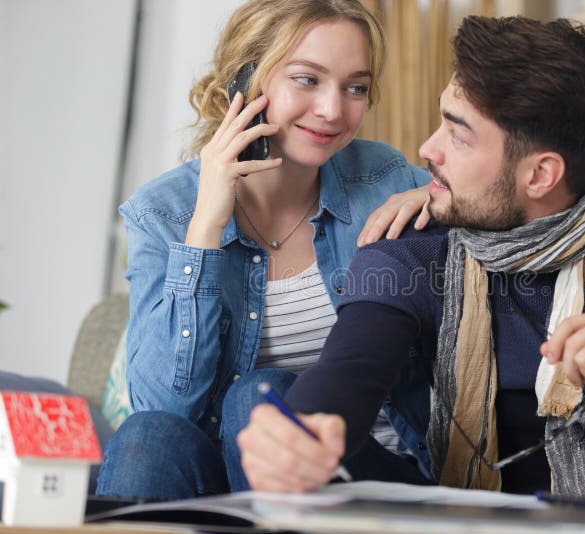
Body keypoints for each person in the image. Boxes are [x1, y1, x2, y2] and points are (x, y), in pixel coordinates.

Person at [237, 16, 585, 496]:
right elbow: (349, 369)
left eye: (459, 135)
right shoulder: (416, 243)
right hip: (461, 505)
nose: (427, 149)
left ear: (540, 174)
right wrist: (305, 433)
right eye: (441, 120)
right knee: (266, 400)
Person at [97, 0, 434, 500]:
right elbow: (165, 409)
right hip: (226, 476)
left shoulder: (385, 180)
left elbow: (496, 206)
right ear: (247, 81)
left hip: (367, 477)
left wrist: (438, 196)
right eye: (306, 79)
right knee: (149, 437)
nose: (332, 110)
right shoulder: (162, 214)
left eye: (355, 87)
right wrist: (206, 228)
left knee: (259, 398)